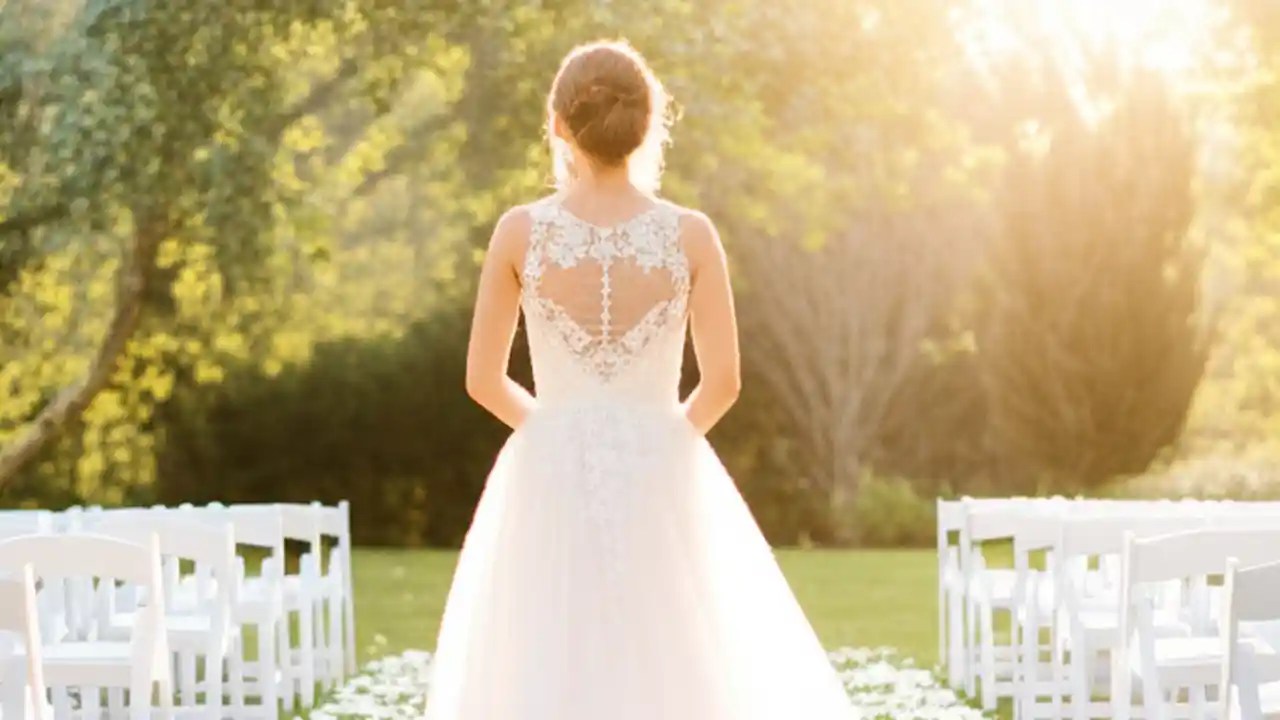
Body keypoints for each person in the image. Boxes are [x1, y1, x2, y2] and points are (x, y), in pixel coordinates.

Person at [424, 39, 855, 720]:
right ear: (648, 123)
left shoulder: (519, 233)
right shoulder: (690, 236)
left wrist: (556, 432)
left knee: (544, 644)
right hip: (663, 463)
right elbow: (725, 381)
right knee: (679, 647)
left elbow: (483, 379)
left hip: (549, 467)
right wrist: (661, 439)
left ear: (559, 123)